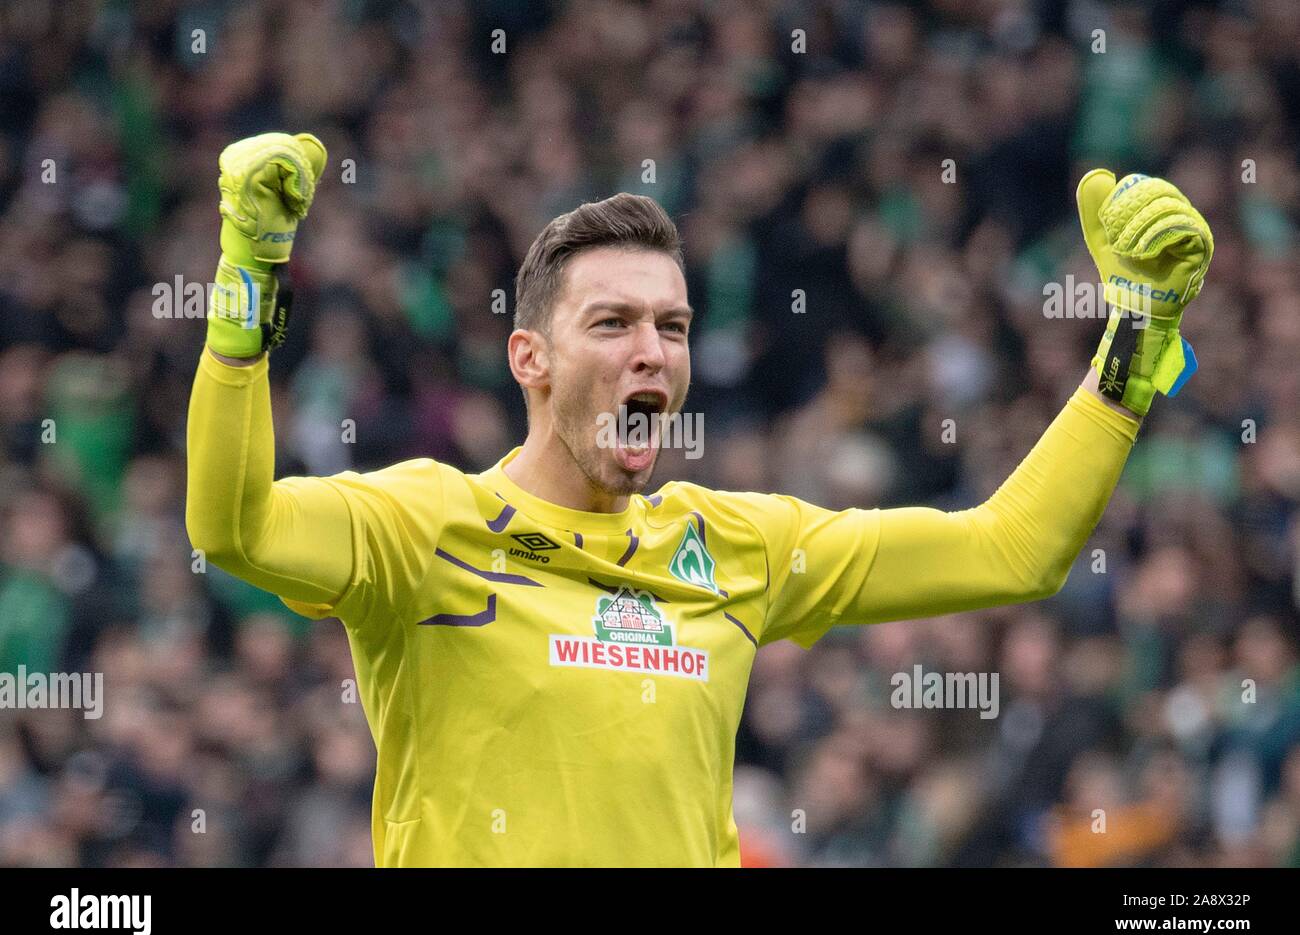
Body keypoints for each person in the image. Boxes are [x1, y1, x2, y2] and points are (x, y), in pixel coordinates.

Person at [185, 132, 1212, 866]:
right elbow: (233, 527)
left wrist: (1134, 335)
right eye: (614, 323)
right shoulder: (422, 525)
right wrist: (248, 279)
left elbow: (1010, 550)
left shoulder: (735, 544)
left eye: (671, 328)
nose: (651, 352)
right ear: (528, 357)